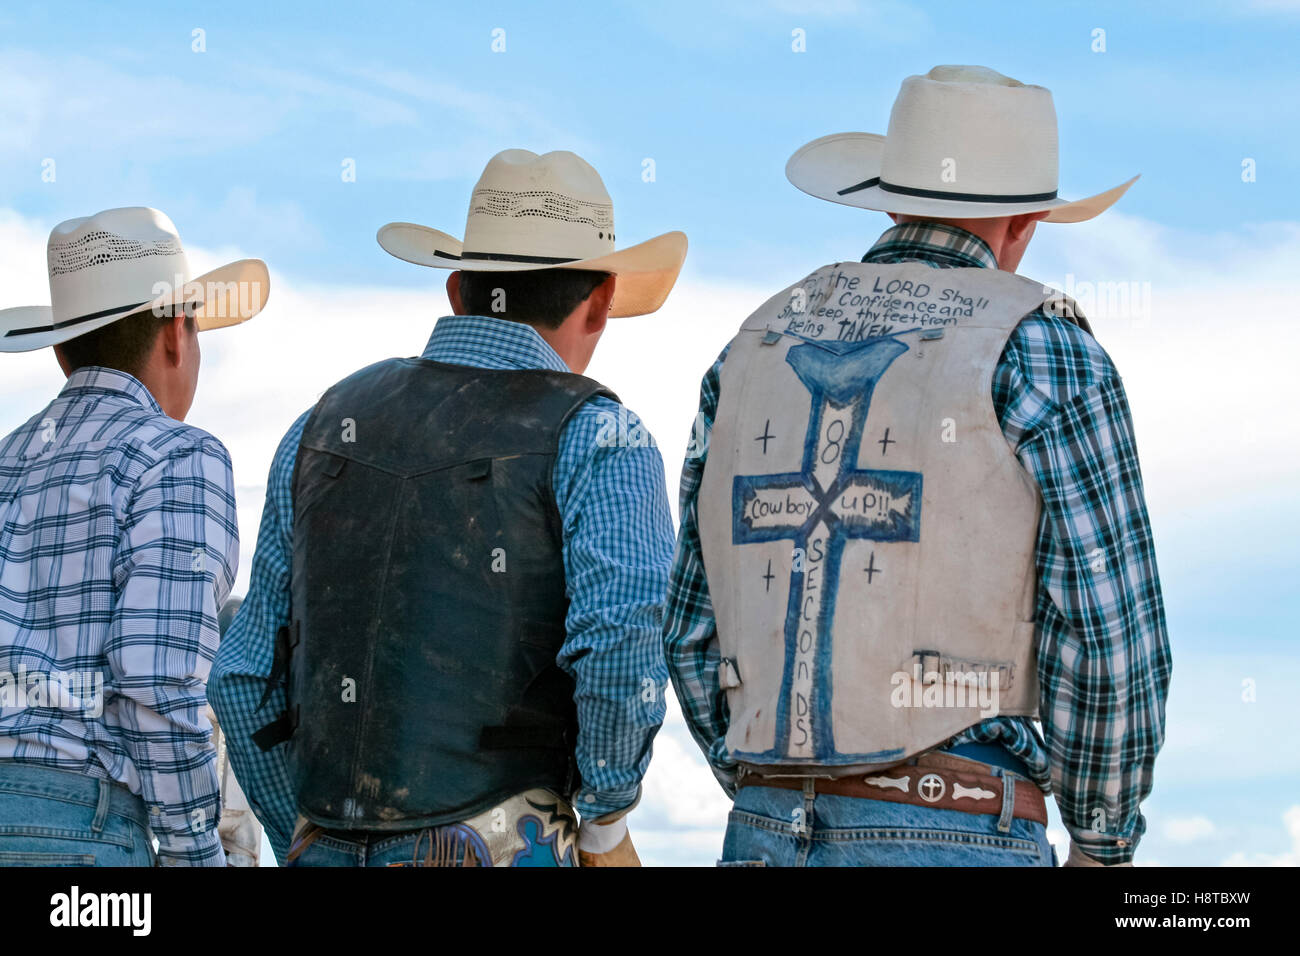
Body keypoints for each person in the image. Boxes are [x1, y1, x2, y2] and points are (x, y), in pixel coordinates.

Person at [664, 65, 1171, 867]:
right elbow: (1108, 628)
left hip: (763, 827)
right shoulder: (1044, 344)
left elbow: (691, 623)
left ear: (891, 199)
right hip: (958, 823)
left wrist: (769, 781)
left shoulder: (752, 342)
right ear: (1025, 223)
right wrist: (1104, 841)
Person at [211, 149, 686, 867]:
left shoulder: (320, 425)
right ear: (600, 303)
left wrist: (301, 832)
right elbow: (620, 641)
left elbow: (241, 680)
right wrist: (605, 827)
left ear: (458, 289)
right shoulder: (600, 435)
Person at [0, 207, 269, 866]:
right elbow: (155, 682)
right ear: (178, 334)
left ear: (63, 349)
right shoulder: (180, 456)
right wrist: (191, 852)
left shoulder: (5, 460)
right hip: (78, 830)